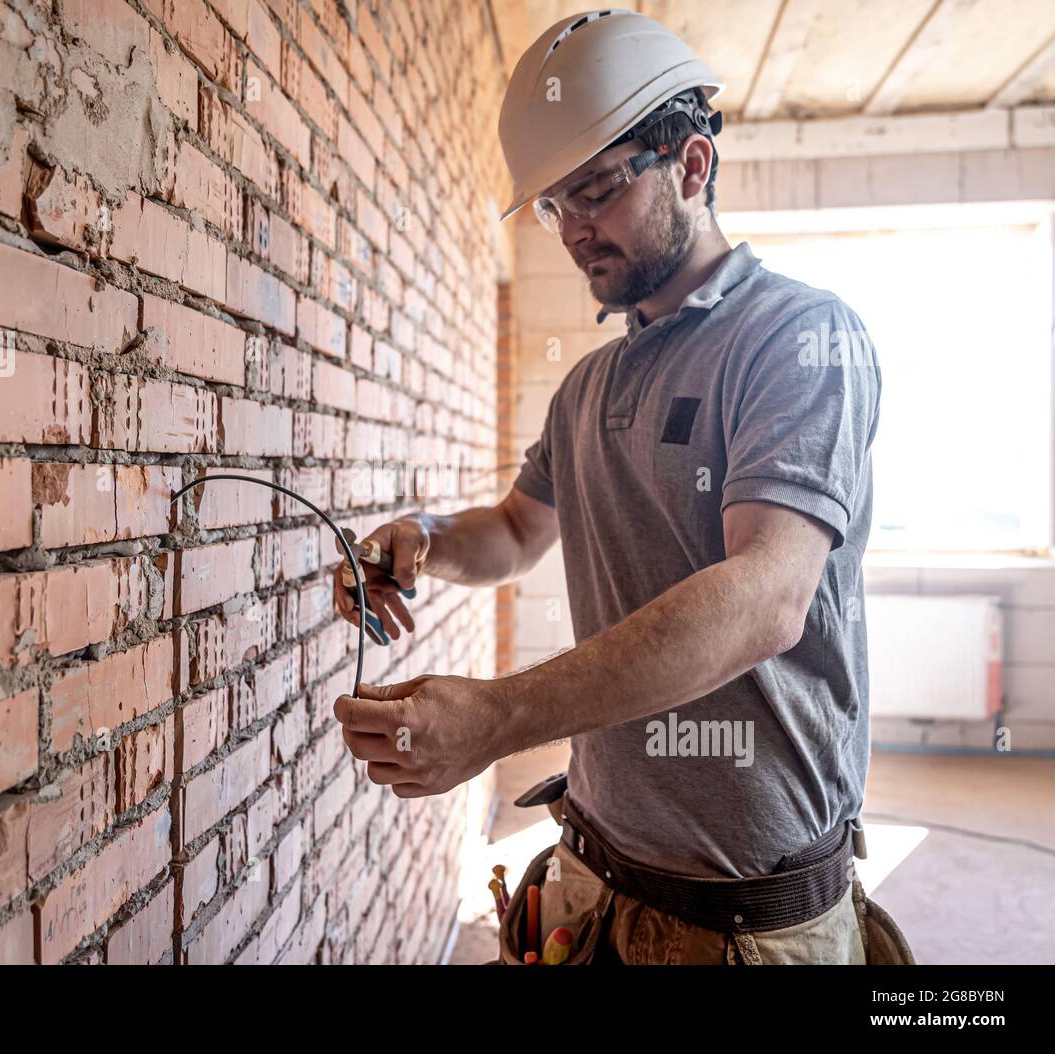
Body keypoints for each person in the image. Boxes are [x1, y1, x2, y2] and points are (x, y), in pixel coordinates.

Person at [332, 9, 902, 965]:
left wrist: (498, 717)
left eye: (594, 189)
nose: (572, 229)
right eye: (552, 205)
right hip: (590, 871)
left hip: (744, 918)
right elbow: (516, 531)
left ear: (690, 164)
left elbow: (768, 595)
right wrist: (425, 536)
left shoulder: (800, 338)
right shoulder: (590, 384)